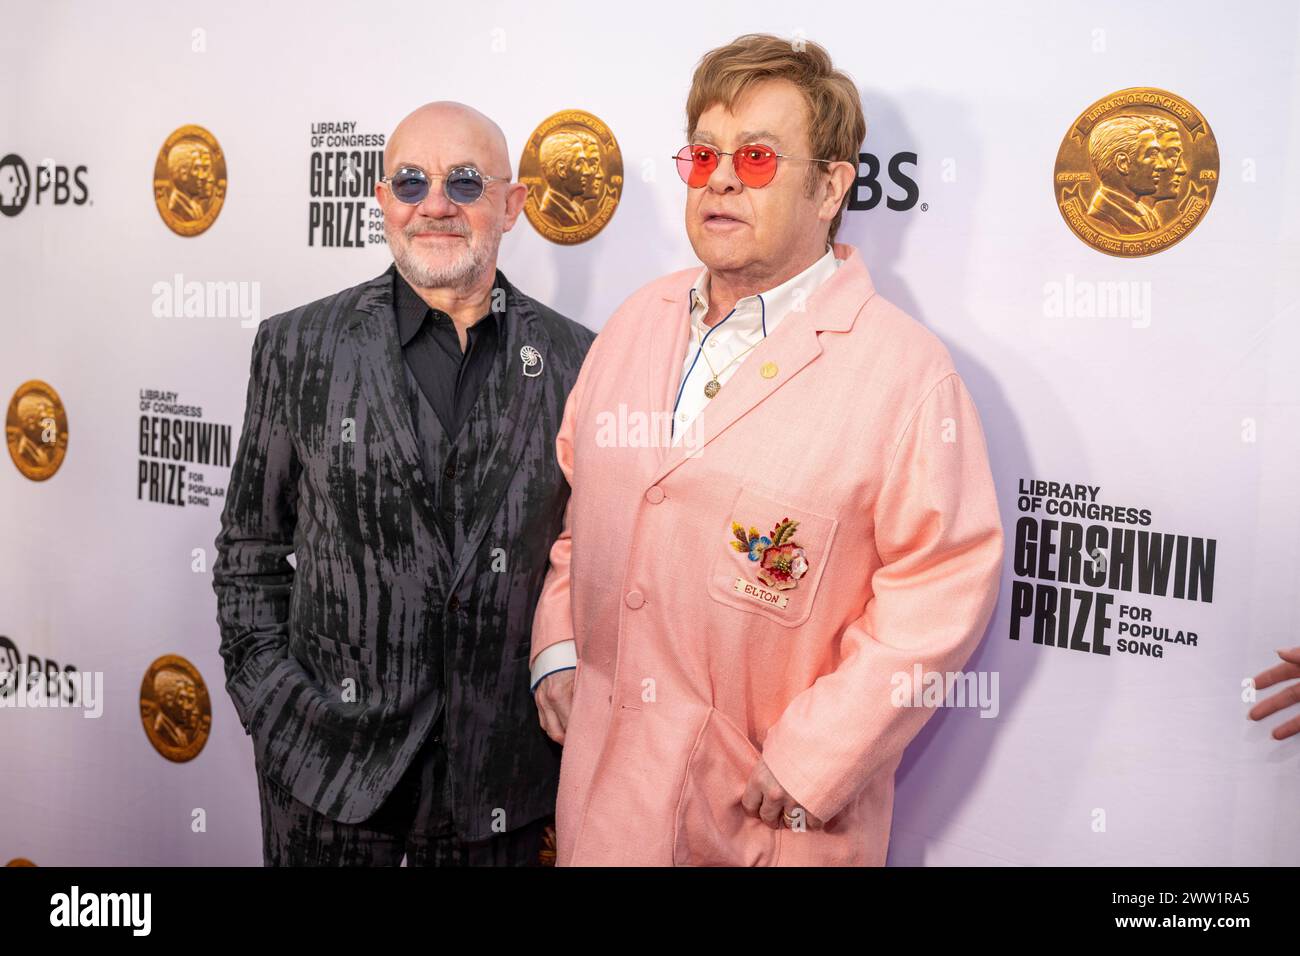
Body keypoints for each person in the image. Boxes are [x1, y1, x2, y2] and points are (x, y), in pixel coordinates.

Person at [530, 34, 1004, 866]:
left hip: (764, 822)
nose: (718, 178)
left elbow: (943, 583)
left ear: (830, 186)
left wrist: (822, 753)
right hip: (601, 804)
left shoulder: (905, 373)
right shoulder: (637, 321)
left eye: (755, 159)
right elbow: (580, 510)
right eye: (704, 154)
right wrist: (558, 647)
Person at [212, 101, 594, 866]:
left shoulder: (578, 359)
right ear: (383, 201)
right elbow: (248, 557)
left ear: (512, 204)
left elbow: (586, 556)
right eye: (412, 182)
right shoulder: (298, 347)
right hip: (327, 798)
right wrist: (285, 723)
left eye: (464, 181)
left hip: (505, 800)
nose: (437, 205)